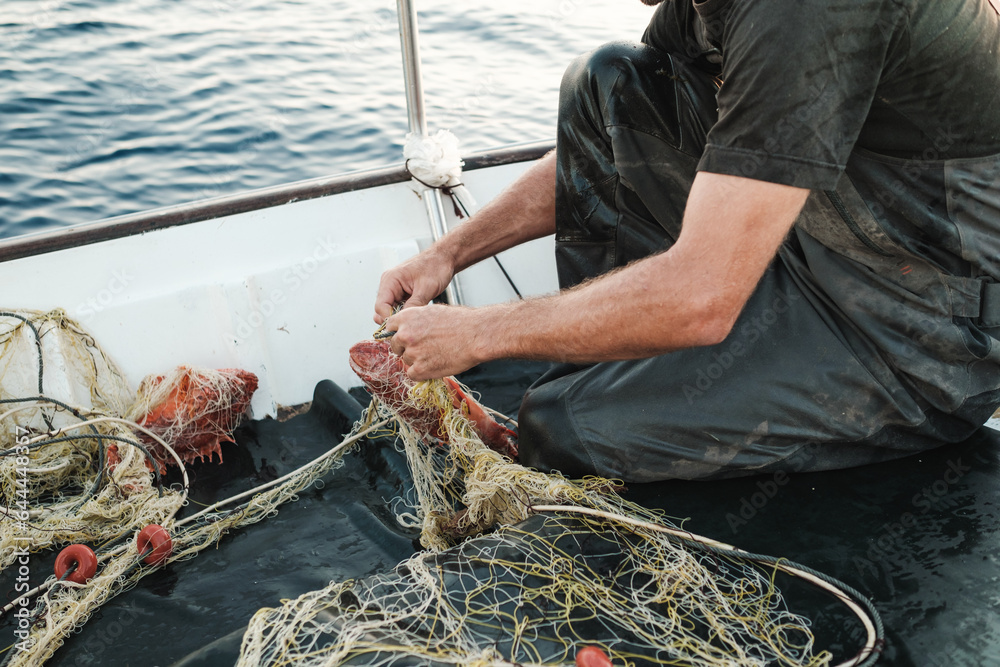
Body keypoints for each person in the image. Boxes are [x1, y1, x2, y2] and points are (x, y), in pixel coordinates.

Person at [373, 0, 1000, 482]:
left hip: (920, 339)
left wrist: (480, 332)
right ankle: (613, 371)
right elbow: (613, 137)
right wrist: (448, 253)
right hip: (805, 243)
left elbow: (702, 295)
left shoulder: (802, 14)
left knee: (563, 430)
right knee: (609, 79)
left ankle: (596, 408)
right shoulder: (708, 7)